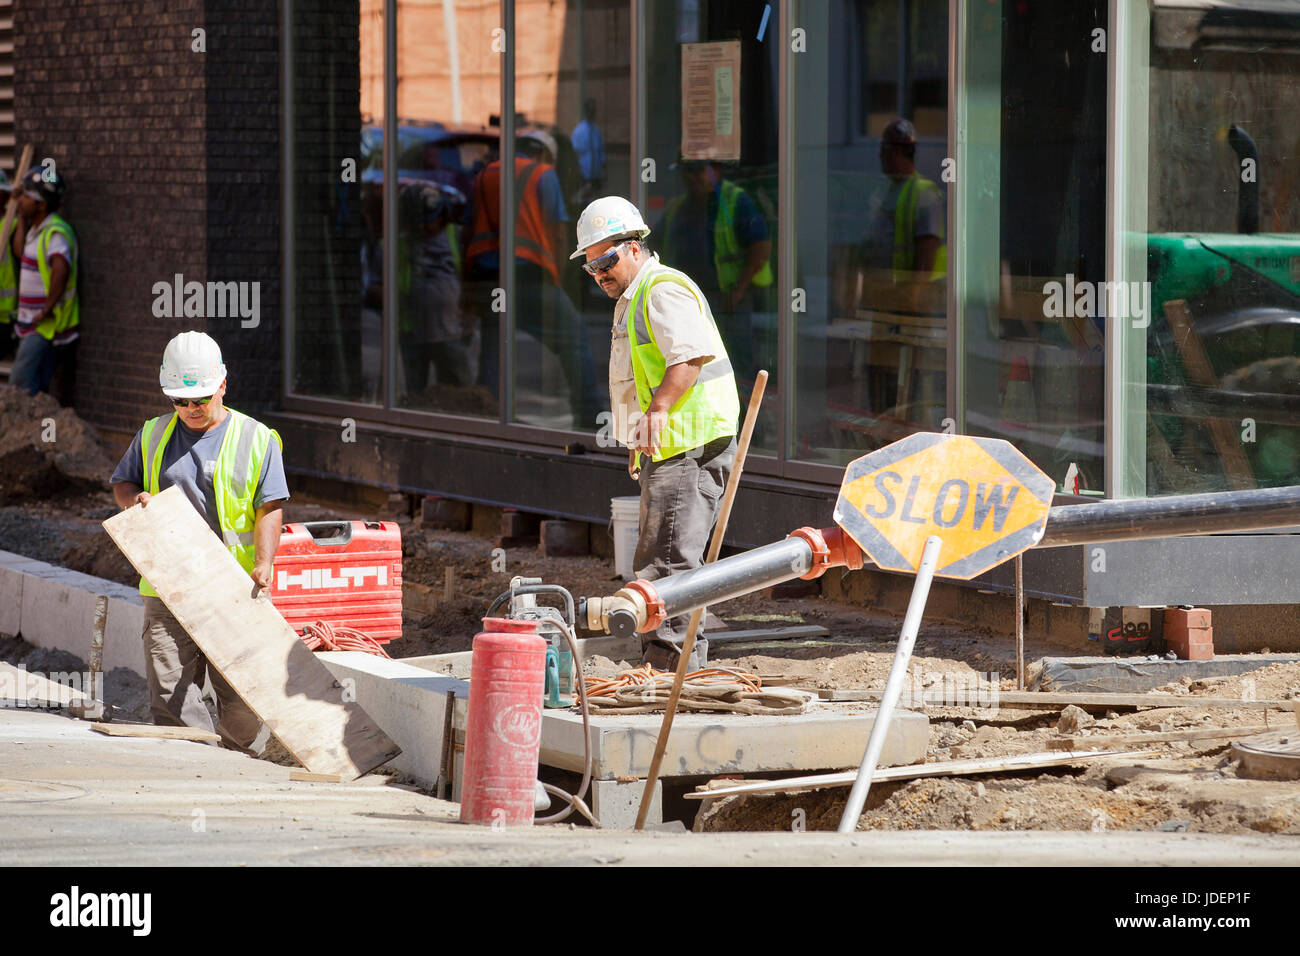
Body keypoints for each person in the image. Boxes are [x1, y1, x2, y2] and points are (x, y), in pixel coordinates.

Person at [573, 196, 740, 671]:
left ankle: (671, 670)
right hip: (669, 445)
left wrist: (660, 411)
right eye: (591, 268)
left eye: (605, 261)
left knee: (668, 562)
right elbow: (638, 380)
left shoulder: (661, 289)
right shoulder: (633, 296)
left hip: (691, 444)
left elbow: (688, 357)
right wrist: (637, 438)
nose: (600, 274)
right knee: (663, 556)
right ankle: (667, 662)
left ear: (633, 247)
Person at [109, 331, 289, 754]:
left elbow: (271, 507)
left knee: (241, 695)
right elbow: (123, 480)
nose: (190, 409)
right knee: (170, 688)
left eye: (200, 399)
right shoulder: (153, 433)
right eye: (180, 401)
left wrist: (265, 564)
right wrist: (135, 502)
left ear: (222, 385)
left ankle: (235, 758)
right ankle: (195, 760)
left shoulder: (256, 438)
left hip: (233, 585)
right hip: (167, 582)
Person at [464, 130, 603, 426]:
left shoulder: (484, 175)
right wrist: (563, 278)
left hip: (489, 278)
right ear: (543, 154)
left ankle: (487, 413)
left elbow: (469, 232)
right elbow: (558, 231)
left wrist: (467, 287)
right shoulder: (543, 174)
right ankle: (590, 416)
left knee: (494, 348)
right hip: (529, 277)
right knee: (574, 337)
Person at [658, 160, 772, 387]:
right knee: (691, 364)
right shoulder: (677, 207)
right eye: (686, 171)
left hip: (727, 300)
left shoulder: (734, 200)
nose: (691, 177)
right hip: (687, 303)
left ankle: (745, 419)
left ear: (716, 170)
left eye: (698, 170)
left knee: (736, 364)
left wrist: (738, 290)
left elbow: (760, 246)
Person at [858, 117, 946, 313]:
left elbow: (927, 250)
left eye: (883, 149)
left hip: (909, 301)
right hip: (885, 296)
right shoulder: (887, 190)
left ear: (896, 151)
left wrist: (913, 295)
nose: (880, 155)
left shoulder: (924, 193)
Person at [9, 166, 79, 400]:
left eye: (27, 197)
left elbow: (61, 270)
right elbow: (20, 252)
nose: (22, 200)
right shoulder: (36, 231)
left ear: (41, 204)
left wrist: (46, 310)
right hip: (32, 322)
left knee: (19, 383)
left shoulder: (55, 233)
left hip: (45, 324)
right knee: (37, 386)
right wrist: (19, 217)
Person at [571, 99, 605, 200]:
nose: (592, 113)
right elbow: (575, 152)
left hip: (595, 172)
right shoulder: (580, 130)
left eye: (593, 111)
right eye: (590, 111)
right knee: (584, 197)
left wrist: (603, 166)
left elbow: (600, 150)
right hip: (584, 171)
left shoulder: (596, 130)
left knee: (595, 198)